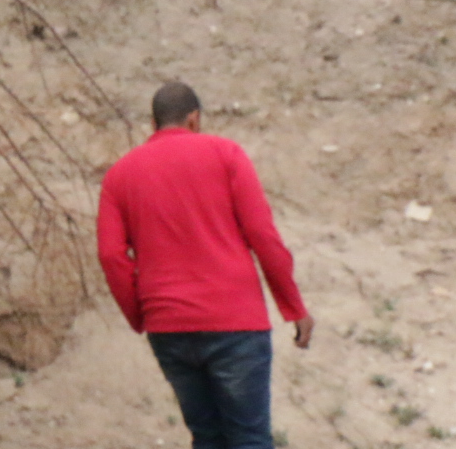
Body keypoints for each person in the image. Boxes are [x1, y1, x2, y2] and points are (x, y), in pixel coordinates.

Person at [97, 81, 314, 449]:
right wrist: (292, 306)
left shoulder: (118, 176)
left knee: (208, 438)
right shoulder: (226, 154)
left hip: (168, 327)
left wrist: (142, 316)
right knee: (249, 438)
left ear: (154, 123)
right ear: (194, 119)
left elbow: (111, 256)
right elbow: (263, 236)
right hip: (236, 323)